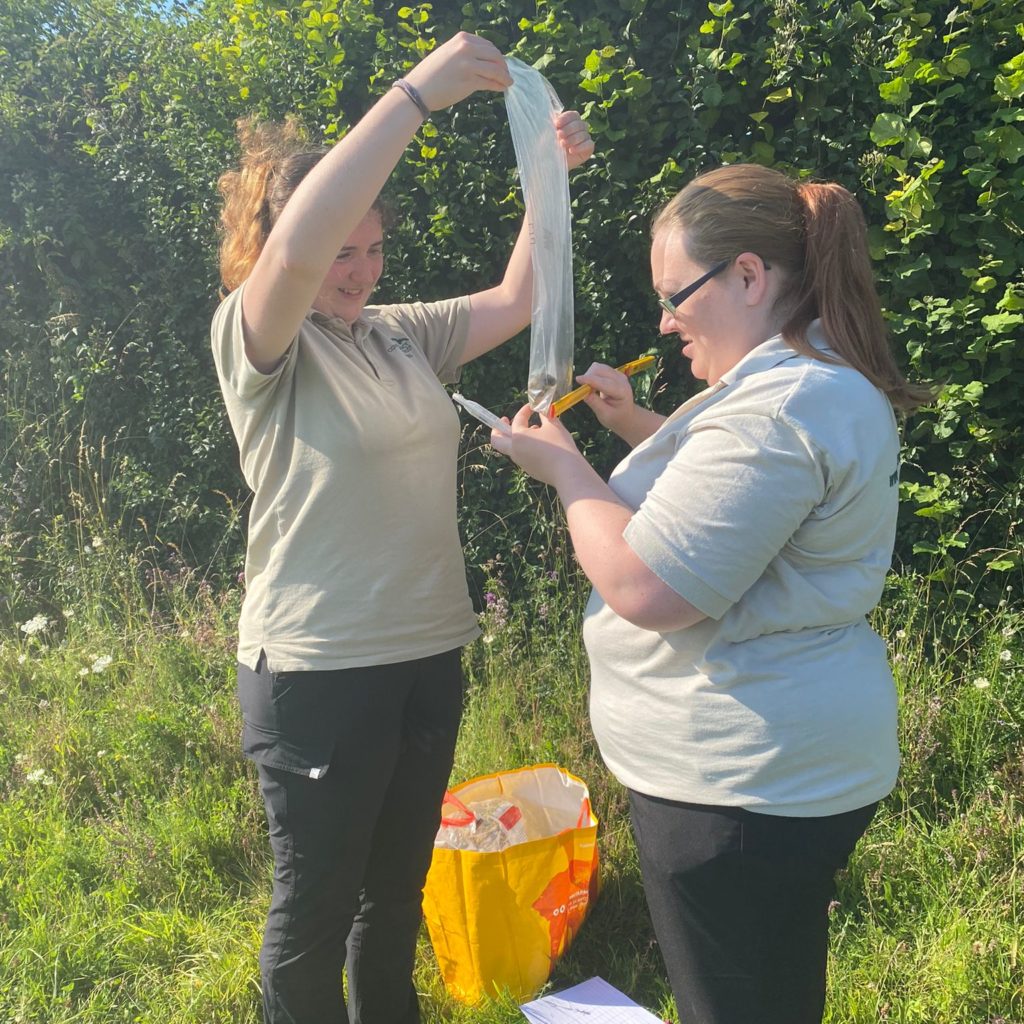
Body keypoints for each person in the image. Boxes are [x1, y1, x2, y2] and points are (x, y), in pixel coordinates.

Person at [210, 32, 593, 1024]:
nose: (359, 269)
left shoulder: (398, 334)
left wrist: (548, 181)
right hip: (317, 671)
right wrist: (417, 93)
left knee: (395, 896)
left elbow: (520, 298)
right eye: (344, 250)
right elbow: (298, 250)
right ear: (280, 243)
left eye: (374, 248)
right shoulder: (263, 341)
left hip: (427, 654)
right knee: (318, 906)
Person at [490, 163, 928, 1024]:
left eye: (674, 293)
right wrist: (629, 427)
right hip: (770, 778)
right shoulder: (805, 383)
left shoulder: (780, 406)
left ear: (750, 276)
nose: (664, 320)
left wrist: (566, 468)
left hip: (738, 792)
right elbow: (739, 511)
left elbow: (647, 585)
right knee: (769, 991)